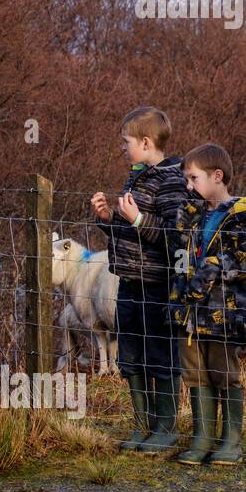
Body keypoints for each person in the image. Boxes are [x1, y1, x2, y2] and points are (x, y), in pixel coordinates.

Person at [90, 106, 193, 454]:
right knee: (130, 355)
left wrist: (137, 220)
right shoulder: (136, 176)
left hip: (158, 285)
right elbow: (129, 232)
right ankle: (142, 426)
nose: (123, 148)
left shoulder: (173, 180)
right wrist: (107, 219)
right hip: (129, 281)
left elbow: (176, 238)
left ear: (146, 142)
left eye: (127, 142)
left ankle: (166, 429)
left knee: (160, 356)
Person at [170, 143, 246, 466]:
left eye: (193, 178)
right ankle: (202, 438)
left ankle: (231, 441)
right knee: (195, 372)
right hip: (190, 313)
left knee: (224, 372)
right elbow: (180, 259)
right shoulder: (190, 216)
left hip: (224, 313)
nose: (188, 185)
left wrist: (210, 267)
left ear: (217, 176)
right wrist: (180, 298)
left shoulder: (245, 217)